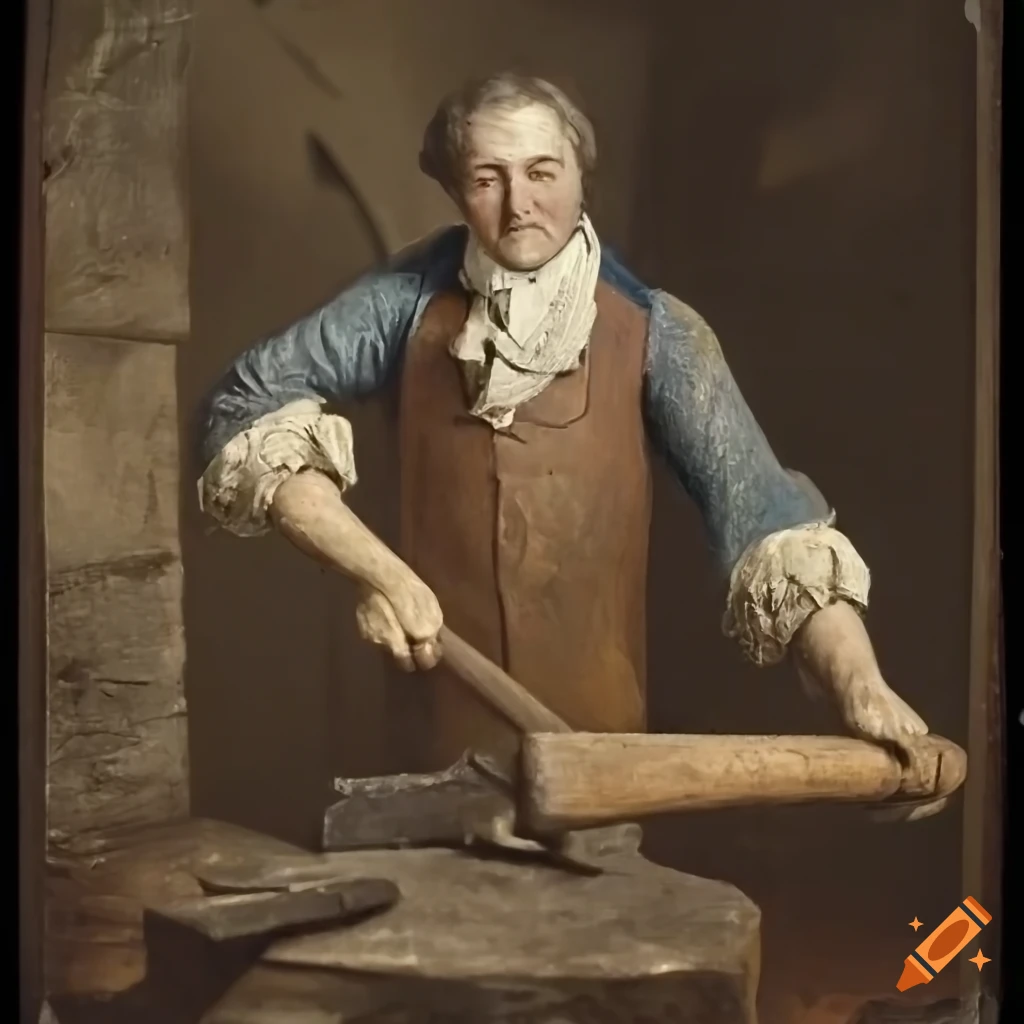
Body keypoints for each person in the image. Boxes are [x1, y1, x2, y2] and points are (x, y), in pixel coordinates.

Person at [197, 72, 928, 777]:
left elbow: (770, 526)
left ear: (581, 174)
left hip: (599, 759)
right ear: (456, 190)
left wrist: (860, 682)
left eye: (543, 172)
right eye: (489, 179)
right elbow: (244, 404)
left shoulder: (656, 333)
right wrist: (375, 570)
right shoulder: (401, 307)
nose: (519, 204)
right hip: (434, 757)